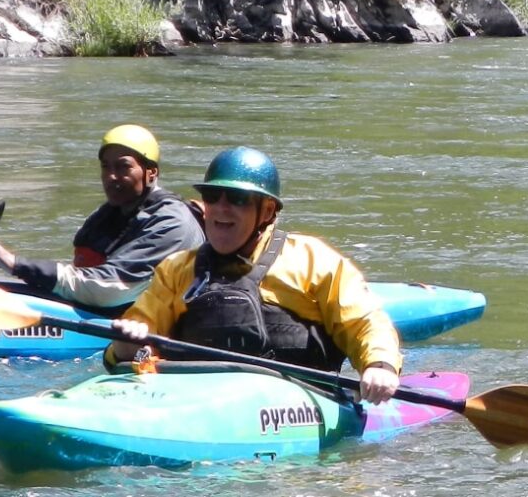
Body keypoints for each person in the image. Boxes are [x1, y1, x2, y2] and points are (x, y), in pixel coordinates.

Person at [106, 147, 403, 405]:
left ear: (267, 210)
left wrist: (379, 365)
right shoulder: (176, 269)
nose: (221, 208)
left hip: (297, 401)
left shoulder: (313, 260)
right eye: (212, 196)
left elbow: (364, 321)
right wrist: (124, 348)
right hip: (195, 401)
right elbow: (139, 336)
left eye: (237, 199)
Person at [0, 125, 204, 310]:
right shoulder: (108, 214)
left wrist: (14, 264)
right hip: (103, 310)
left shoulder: (173, 224)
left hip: (143, 327)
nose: (111, 176)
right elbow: (80, 275)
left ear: (151, 173)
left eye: (123, 167)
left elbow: (105, 289)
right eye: (106, 167)